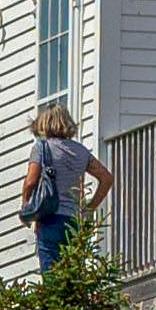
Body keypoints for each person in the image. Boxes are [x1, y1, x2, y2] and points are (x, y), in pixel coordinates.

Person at [20, 104, 108, 269]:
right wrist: (90, 207)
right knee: (72, 271)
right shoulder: (81, 151)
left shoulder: (41, 148)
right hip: (74, 220)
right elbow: (106, 178)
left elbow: (31, 181)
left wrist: (25, 206)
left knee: (51, 273)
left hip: (49, 216)